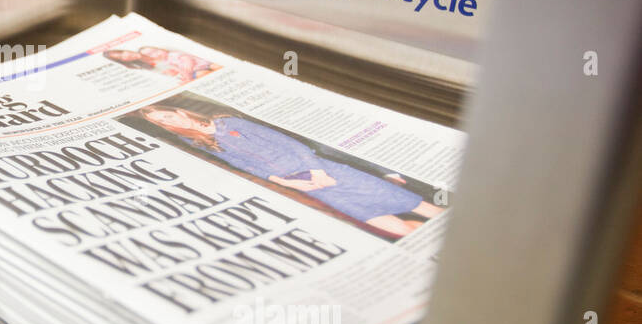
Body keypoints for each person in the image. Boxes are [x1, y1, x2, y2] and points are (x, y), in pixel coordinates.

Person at [134, 104, 442, 238]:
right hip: (304, 183)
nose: (171, 121)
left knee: (420, 207)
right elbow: (242, 164)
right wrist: (282, 182)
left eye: (167, 115)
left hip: (329, 172)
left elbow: (293, 145)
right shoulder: (201, 141)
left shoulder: (230, 123)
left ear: (178, 111)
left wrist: (316, 172)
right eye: (162, 121)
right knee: (397, 228)